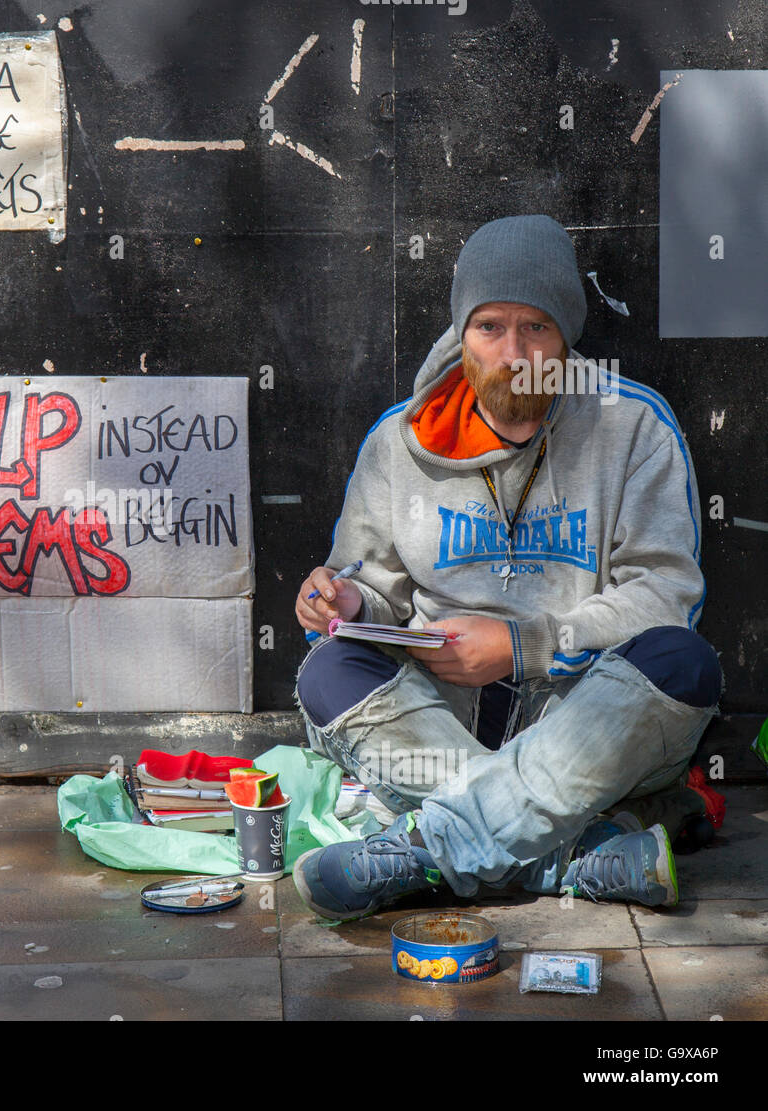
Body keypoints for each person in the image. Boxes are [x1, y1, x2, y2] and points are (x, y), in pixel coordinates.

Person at [290, 214, 722, 920]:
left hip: (581, 722)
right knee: (327, 670)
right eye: (490, 326)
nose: (513, 351)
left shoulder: (635, 426)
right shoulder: (400, 441)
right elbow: (372, 589)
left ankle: (436, 844)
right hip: (446, 721)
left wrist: (530, 646)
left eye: (536, 328)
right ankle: (574, 855)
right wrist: (343, 599)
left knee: (683, 661)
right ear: (462, 335)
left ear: (567, 338)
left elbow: (666, 595)